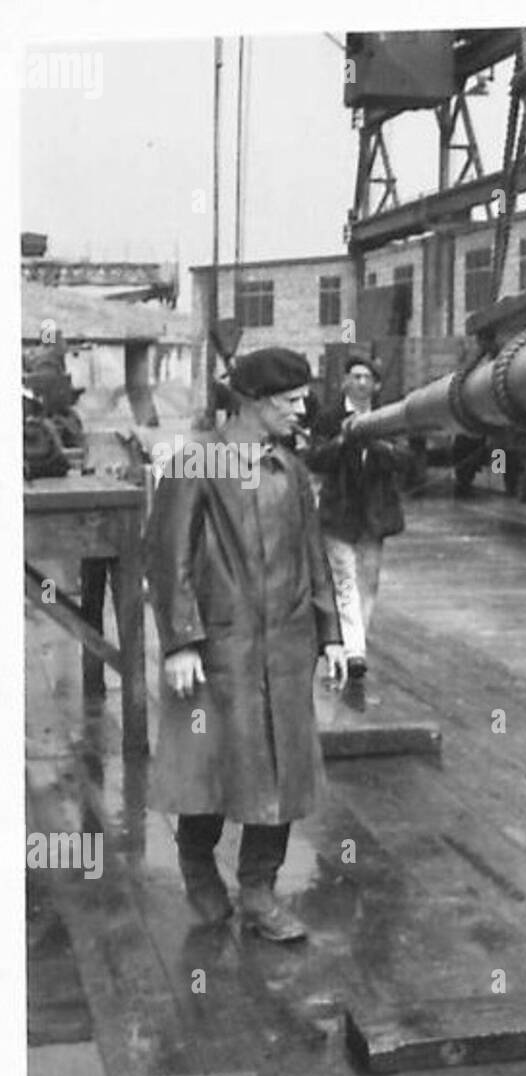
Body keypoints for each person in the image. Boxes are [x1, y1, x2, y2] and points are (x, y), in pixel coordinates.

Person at [146, 347, 347, 942]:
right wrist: (181, 642)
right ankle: (196, 859)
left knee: (282, 771)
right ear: (255, 402)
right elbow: (168, 555)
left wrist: (331, 634)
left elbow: (313, 555)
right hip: (220, 647)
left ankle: (259, 891)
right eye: (291, 401)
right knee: (212, 763)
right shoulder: (197, 462)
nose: (302, 410)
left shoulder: (290, 469)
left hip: (286, 646)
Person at [302, 352, 410, 680]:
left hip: (375, 513)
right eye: (355, 376)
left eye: (367, 378)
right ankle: (354, 650)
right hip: (339, 511)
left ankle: (356, 637)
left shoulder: (390, 417)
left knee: (368, 582)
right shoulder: (328, 418)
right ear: (344, 382)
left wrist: (375, 445)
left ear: (376, 385)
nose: (361, 383)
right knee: (344, 579)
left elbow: (406, 460)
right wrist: (343, 441)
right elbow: (315, 458)